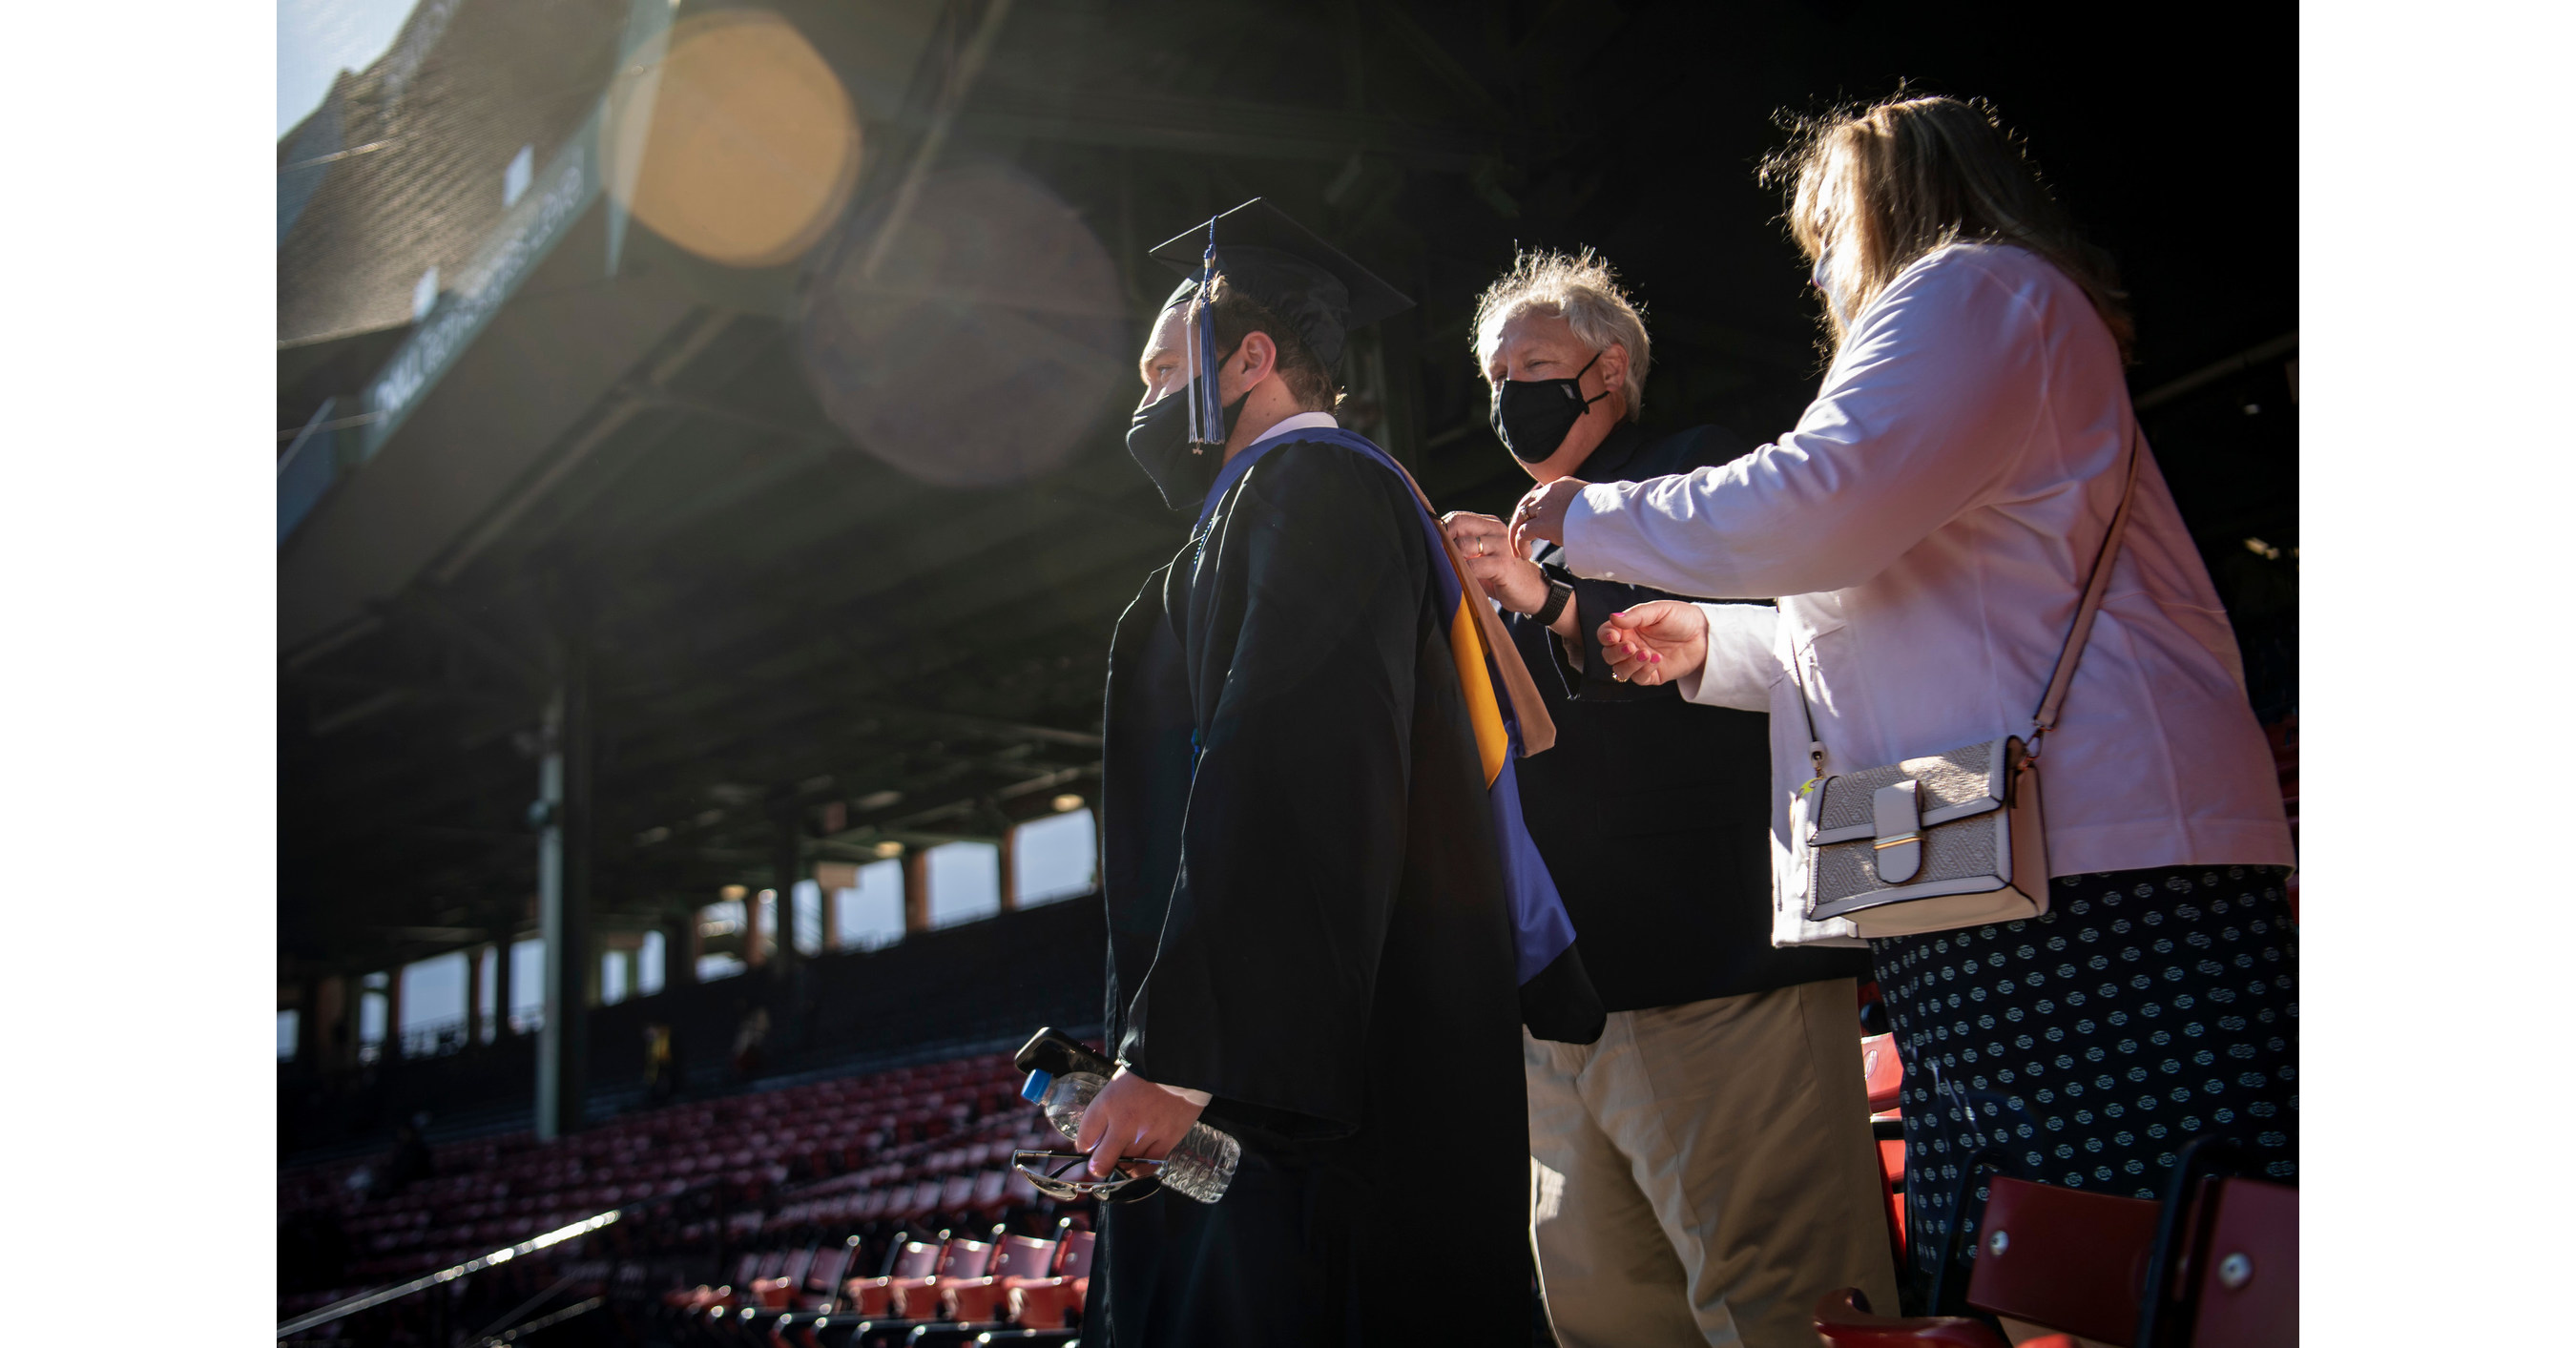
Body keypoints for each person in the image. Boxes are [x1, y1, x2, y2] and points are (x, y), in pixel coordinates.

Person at [1507, 94, 2298, 1291]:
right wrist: (1713, 645)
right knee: (2043, 1275)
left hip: (2098, 870)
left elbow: (1818, 503)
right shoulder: (1972, 316)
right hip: (1978, 869)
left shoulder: (1970, 287)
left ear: (1876, 202)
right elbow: (1872, 627)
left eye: (1822, 226)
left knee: (2147, 1259)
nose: (1818, 259)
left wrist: (1592, 517)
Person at [1080, 198, 1600, 1347]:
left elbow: (1289, 771)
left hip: (1324, 1097)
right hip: (1300, 1068)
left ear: (1251, 360)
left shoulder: (1314, 488)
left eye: (1165, 373)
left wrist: (1184, 1059)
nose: (1145, 406)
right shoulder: (1282, 505)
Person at [1443, 249, 1896, 1347]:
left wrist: (1549, 598)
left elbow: (1754, 649)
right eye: (1497, 372)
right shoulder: (1507, 545)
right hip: (1565, 1001)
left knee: (1782, 1303)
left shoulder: (1702, 475)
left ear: (1609, 371)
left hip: (1716, 969)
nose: (1512, 392)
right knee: (1606, 1314)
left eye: (1536, 363)